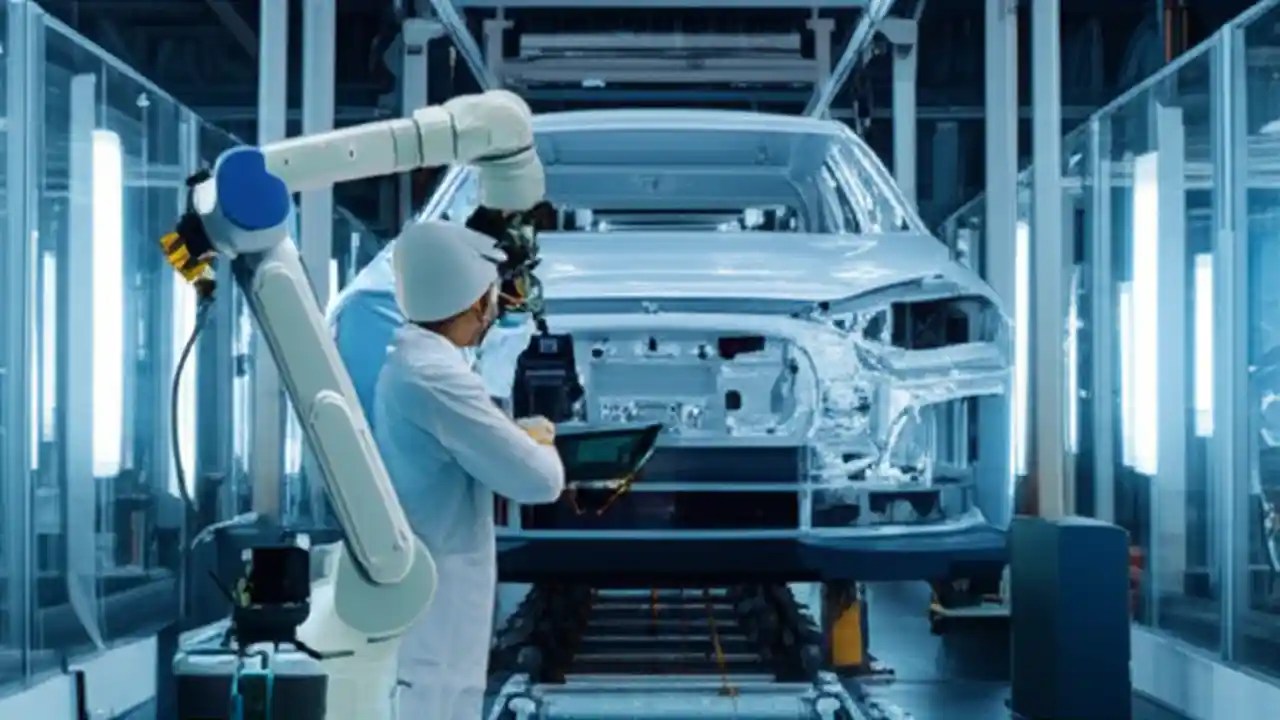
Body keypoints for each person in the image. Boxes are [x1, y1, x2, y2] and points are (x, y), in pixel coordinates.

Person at [372, 220, 565, 719]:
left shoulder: (419, 363)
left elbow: (470, 434)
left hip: (438, 599)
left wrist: (511, 434)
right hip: (434, 612)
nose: (495, 310)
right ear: (472, 301)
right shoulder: (434, 376)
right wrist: (539, 442)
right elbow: (540, 482)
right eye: (491, 297)